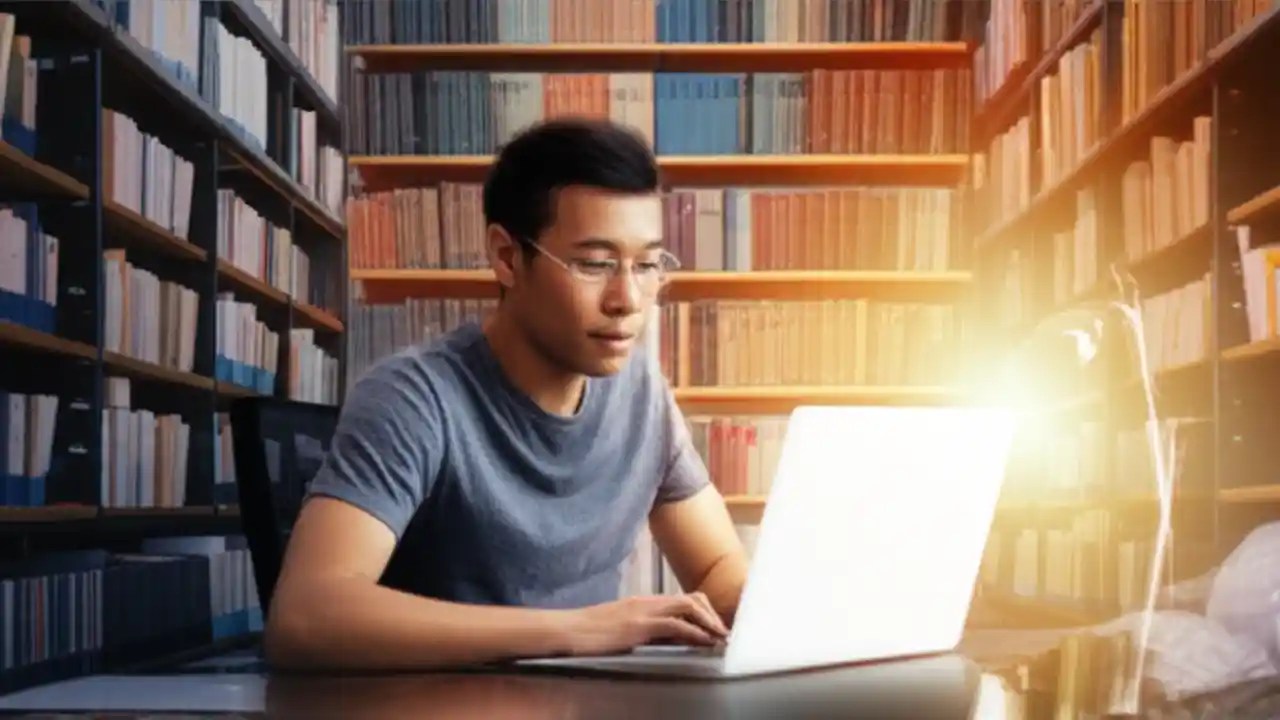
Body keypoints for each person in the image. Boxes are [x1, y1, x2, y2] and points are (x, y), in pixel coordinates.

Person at [265, 118, 750, 672]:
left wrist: (779, 608)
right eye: (594, 264)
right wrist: (579, 629)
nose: (628, 299)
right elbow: (306, 617)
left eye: (646, 265)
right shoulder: (414, 399)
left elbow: (716, 566)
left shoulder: (641, 392)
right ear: (506, 256)